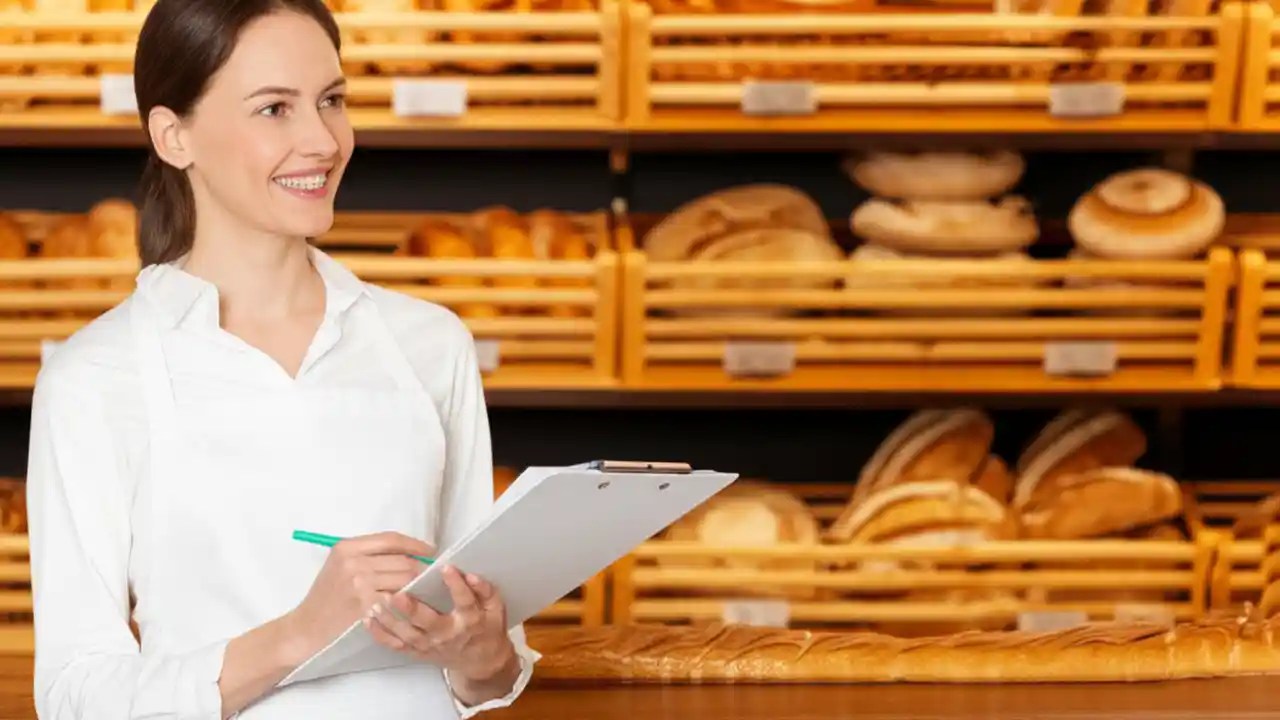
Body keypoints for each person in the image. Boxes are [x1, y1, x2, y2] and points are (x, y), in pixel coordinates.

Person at [24, 0, 539, 717]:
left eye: (332, 101)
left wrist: (484, 656)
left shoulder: (429, 345)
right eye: (274, 109)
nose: (322, 140)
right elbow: (75, 694)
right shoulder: (97, 379)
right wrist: (298, 635)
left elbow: (482, 671)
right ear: (174, 136)